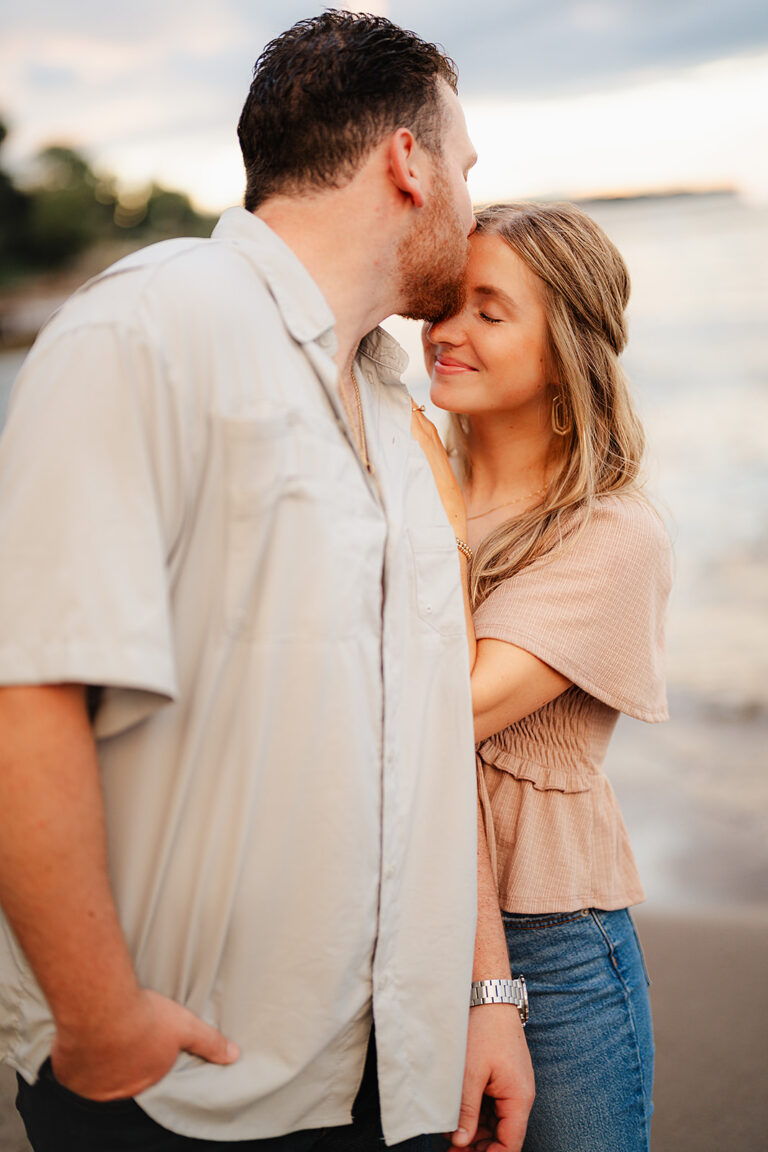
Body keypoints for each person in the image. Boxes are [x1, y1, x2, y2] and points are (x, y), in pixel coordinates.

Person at [0, 15, 534, 1152]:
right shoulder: (147, 330)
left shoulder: (398, 411)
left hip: (392, 1079)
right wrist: (99, 1024)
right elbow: (23, 692)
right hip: (180, 1091)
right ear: (407, 159)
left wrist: (486, 995)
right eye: (466, 169)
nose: (472, 208)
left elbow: (425, 742)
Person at [413, 201, 672, 1152]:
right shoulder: (406, 485)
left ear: (563, 347)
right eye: (446, 304)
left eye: (490, 311)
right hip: (397, 913)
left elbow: (437, 709)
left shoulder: (610, 536)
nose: (447, 331)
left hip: (551, 943)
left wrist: (433, 495)